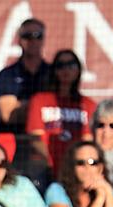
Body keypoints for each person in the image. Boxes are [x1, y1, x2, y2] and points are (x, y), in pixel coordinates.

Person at [26, 49, 96, 178]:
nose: (66, 70)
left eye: (71, 65)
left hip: (77, 170)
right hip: (46, 169)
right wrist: (51, 165)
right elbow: (36, 139)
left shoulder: (87, 104)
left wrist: (77, 167)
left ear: (78, 70)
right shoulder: (39, 100)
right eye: (60, 66)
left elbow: (88, 141)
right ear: (54, 70)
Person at [0, 18, 51, 135]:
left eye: (38, 36)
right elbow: (8, 115)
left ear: (43, 39)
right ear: (19, 40)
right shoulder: (8, 75)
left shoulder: (52, 73)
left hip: (46, 140)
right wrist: (42, 106)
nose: (33, 41)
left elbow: (60, 111)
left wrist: (21, 105)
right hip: (15, 139)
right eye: (27, 36)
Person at [45, 140, 113, 207]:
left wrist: (108, 192)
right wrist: (99, 199)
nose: (87, 167)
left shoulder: (106, 189)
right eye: (80, 163)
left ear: (100, 168)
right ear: (72, 167)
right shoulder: (56, 190)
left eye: (92, 162)